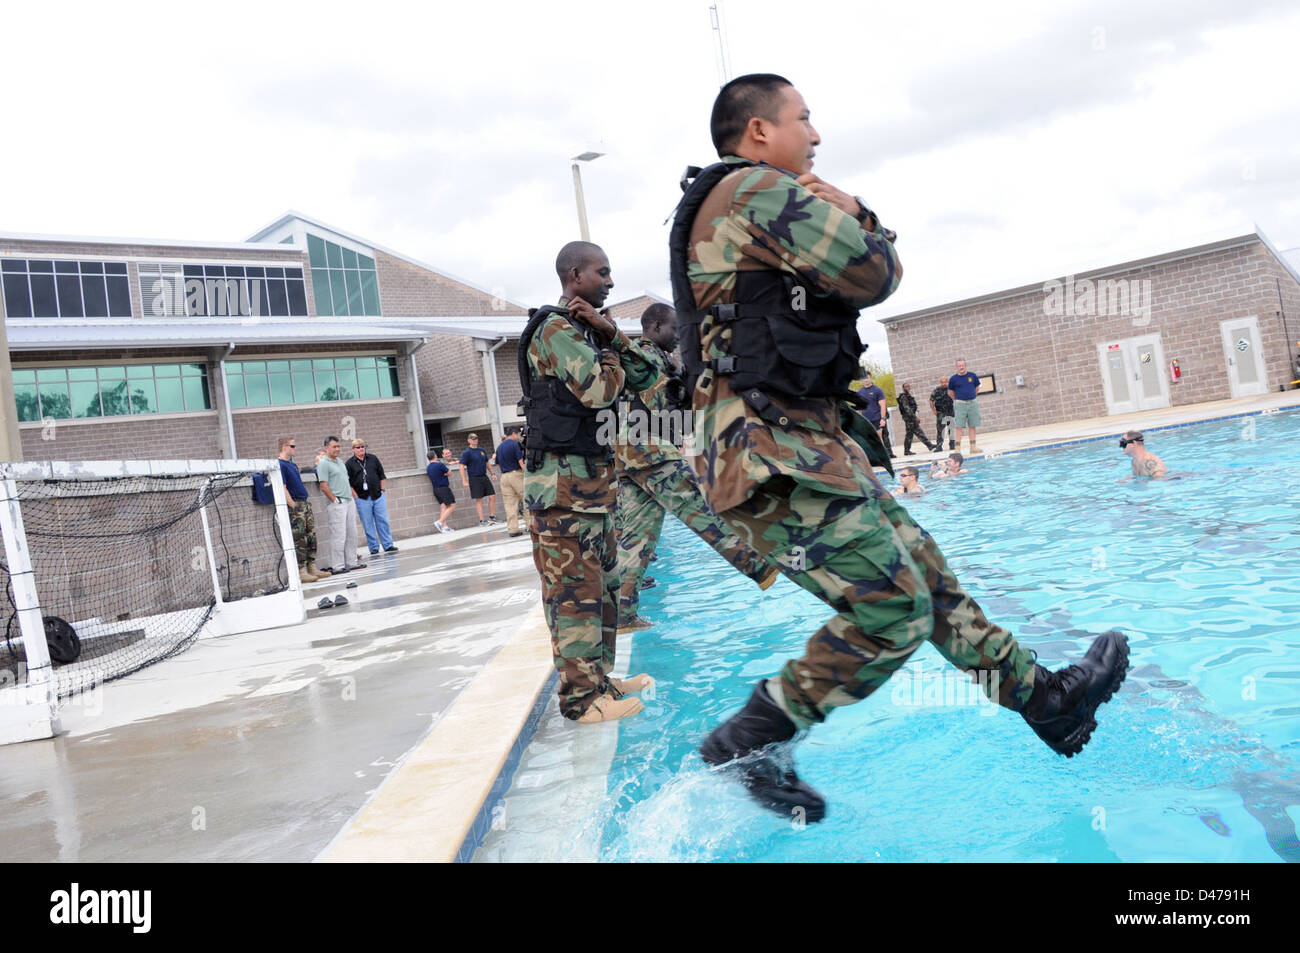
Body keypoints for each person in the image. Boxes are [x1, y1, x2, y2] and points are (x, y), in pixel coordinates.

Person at [673, 73, 1129, 820]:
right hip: (768, 448)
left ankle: (1044, 698)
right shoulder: (757, 188)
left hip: (802, 440)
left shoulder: (743, 201)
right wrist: (859, 211)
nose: (815, 135)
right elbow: (872, 272)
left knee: (928, 578)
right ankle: (752, 736)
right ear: (758, 131)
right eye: (803, 119)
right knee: (893, 607)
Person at [521, 240, 657, 725]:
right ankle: (580, 701)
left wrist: (611, 335)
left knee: (601, 588)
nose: (611, 281)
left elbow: (650, 376)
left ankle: (599, 682)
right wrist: (611, 360)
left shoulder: (588, 330)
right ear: (575, 275)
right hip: (561, 492)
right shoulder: (556, 330)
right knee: (574, 596)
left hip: (592, 489)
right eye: (603, 273)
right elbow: (599, 391)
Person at [614, 303, 779, 633]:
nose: (677, 336)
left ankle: (620, 614)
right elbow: (659, 400)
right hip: (647, 450)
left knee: (637, 536)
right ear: (656, 326)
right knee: (700, 505)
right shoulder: (644, 354)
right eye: (674, 329)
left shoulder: (655, 357)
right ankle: (760, 565)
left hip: (631, 453)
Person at [277, 436, 325, 584]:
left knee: (311, 535)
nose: (295, 449)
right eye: (292, 446)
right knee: (300, 538)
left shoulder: (292, 465)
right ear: (285, 447)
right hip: (296, 504)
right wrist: (292, 505)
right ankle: (301, 570)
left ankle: (312, 565)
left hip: (304, 502)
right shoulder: (280, 464)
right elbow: (282, 487)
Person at [317, 436, 365, 574]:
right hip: (337, 503)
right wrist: (334, 500)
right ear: (326, 448)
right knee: (339, 535)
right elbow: (324, 486)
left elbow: (346, 481)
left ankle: (351, 562)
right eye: (334, 447)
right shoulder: (324, 463)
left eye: (338, 446)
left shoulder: (339, 462)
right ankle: (338, 566)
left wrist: (352, 496)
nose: (337, 449)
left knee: (352, 534)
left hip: (349, 500)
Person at [346, 439, 398, 555]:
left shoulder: (373, 459)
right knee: (367, 523)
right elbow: (348, 483)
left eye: (362, 446)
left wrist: (382, 490)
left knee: (383, 521)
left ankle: (388, 545)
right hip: (362, 498)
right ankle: (373, 547)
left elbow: (382, 475)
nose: (361, 449)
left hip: (378, 495)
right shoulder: (349, 464)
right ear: (353, 449)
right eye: (358, 447)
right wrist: (356, 497)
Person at [459, 433, 499, 527]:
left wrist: (492, 473)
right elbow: (461, 466)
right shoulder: (467, 452)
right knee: (479, 499)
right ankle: (482, 521)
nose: (475, 440)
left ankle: (492, 517)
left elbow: (487, 463)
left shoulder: (482, 450)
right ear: (469, 440)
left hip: (484, 476)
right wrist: (464, 480)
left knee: (492, 496)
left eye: (476, 438)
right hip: (474, 478)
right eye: (473, 439)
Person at [948, 358, 983, 455]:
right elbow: (951, 392)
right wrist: (959, 399)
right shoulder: (953, 379)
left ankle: (973, 447)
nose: (961, 367)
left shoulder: (972, 376)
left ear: (965, 365)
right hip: (960, 404)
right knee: (959, 426)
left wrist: (972, 396)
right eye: (959, 366)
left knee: (972, 425)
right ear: (957, 367)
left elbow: (977, 387)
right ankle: (958, 449)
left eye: (962, 365)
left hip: (972, 403)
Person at [495, 426, 526, 536]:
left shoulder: (499, 447)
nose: (518, 437)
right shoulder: (514, 444)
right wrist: (526, 473)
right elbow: (521, 462)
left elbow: (497, 463)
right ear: (514, 433)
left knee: (509, 505)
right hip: (516, 475)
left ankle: (513, 529)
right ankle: (531, 525)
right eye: (517, 434)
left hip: (504, 477)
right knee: (526, 499)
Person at [855, 372, 893, 459]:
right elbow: (859, 409)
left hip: (876, 419)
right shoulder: (859, 393)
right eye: (864, 378)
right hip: (866, 421)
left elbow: (883, 405)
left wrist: (883, 418)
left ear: (870, 378)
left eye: (867, 378)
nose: (866, 380)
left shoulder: (877, 390)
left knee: (878, 439)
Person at [897, 382, 936, 455]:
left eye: (908, 386)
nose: (907, 388)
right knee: (916, 433)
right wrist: (915, 417)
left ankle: (907, 450)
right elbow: (907, 409)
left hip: (911, 418)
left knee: (912, 434)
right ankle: (929, 446)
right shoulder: (903, 397)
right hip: (909, 418)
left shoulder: (908, 396)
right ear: (903, 388)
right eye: (906, 387)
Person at [426, 448, 457, 533]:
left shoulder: (428, 467)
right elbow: (450, 473)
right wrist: (446, 474)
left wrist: (444, 474)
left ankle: (444, 527)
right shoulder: (439, 465)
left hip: (436, 489)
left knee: (443, 506)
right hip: (443, 488)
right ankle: (439, 522)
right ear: (435, 456)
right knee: (452, 506)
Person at [930, 375, 956, 451]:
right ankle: (939, 446)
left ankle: (952, 445)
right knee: (940, 430)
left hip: (950, 412)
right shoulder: (936, 390)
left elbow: (956, 397)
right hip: (941, 413)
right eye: (942, 382)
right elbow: (931, 400)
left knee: (951, 429)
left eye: (945, 382)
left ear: (947, 382)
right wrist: (933, 410)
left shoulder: (951, 389)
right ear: (940, 383)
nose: (944, 383)